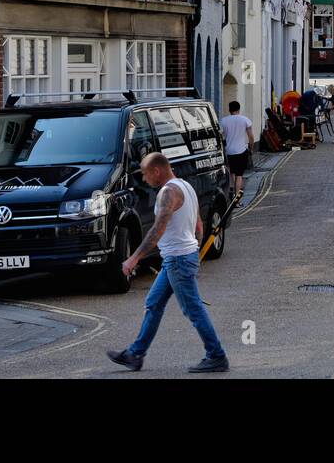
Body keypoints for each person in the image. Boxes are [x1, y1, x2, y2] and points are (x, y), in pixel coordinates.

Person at [107, 152, 228, 374]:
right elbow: (199, 226)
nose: (144, 179)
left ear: (156, 171)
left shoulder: (168, 193)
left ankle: (217, 355)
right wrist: (195, 252)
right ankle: (135, 354)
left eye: (144, 174)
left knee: (193, 309)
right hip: (179, 258)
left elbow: (157, 229)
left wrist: (133, 258)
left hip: (178, 259)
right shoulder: (186, 187)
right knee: (154, 304)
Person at [219, 101, 254, 200]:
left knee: (231, 172)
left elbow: (220, 136)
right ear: (239, 109)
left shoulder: (223, 121)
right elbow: (251, 137)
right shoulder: (245, 120)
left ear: (229, 110)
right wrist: (251, 149)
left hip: (228, 151)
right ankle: (237, 200)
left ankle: (230, 191)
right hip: (241, 151)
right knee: (239, 176)